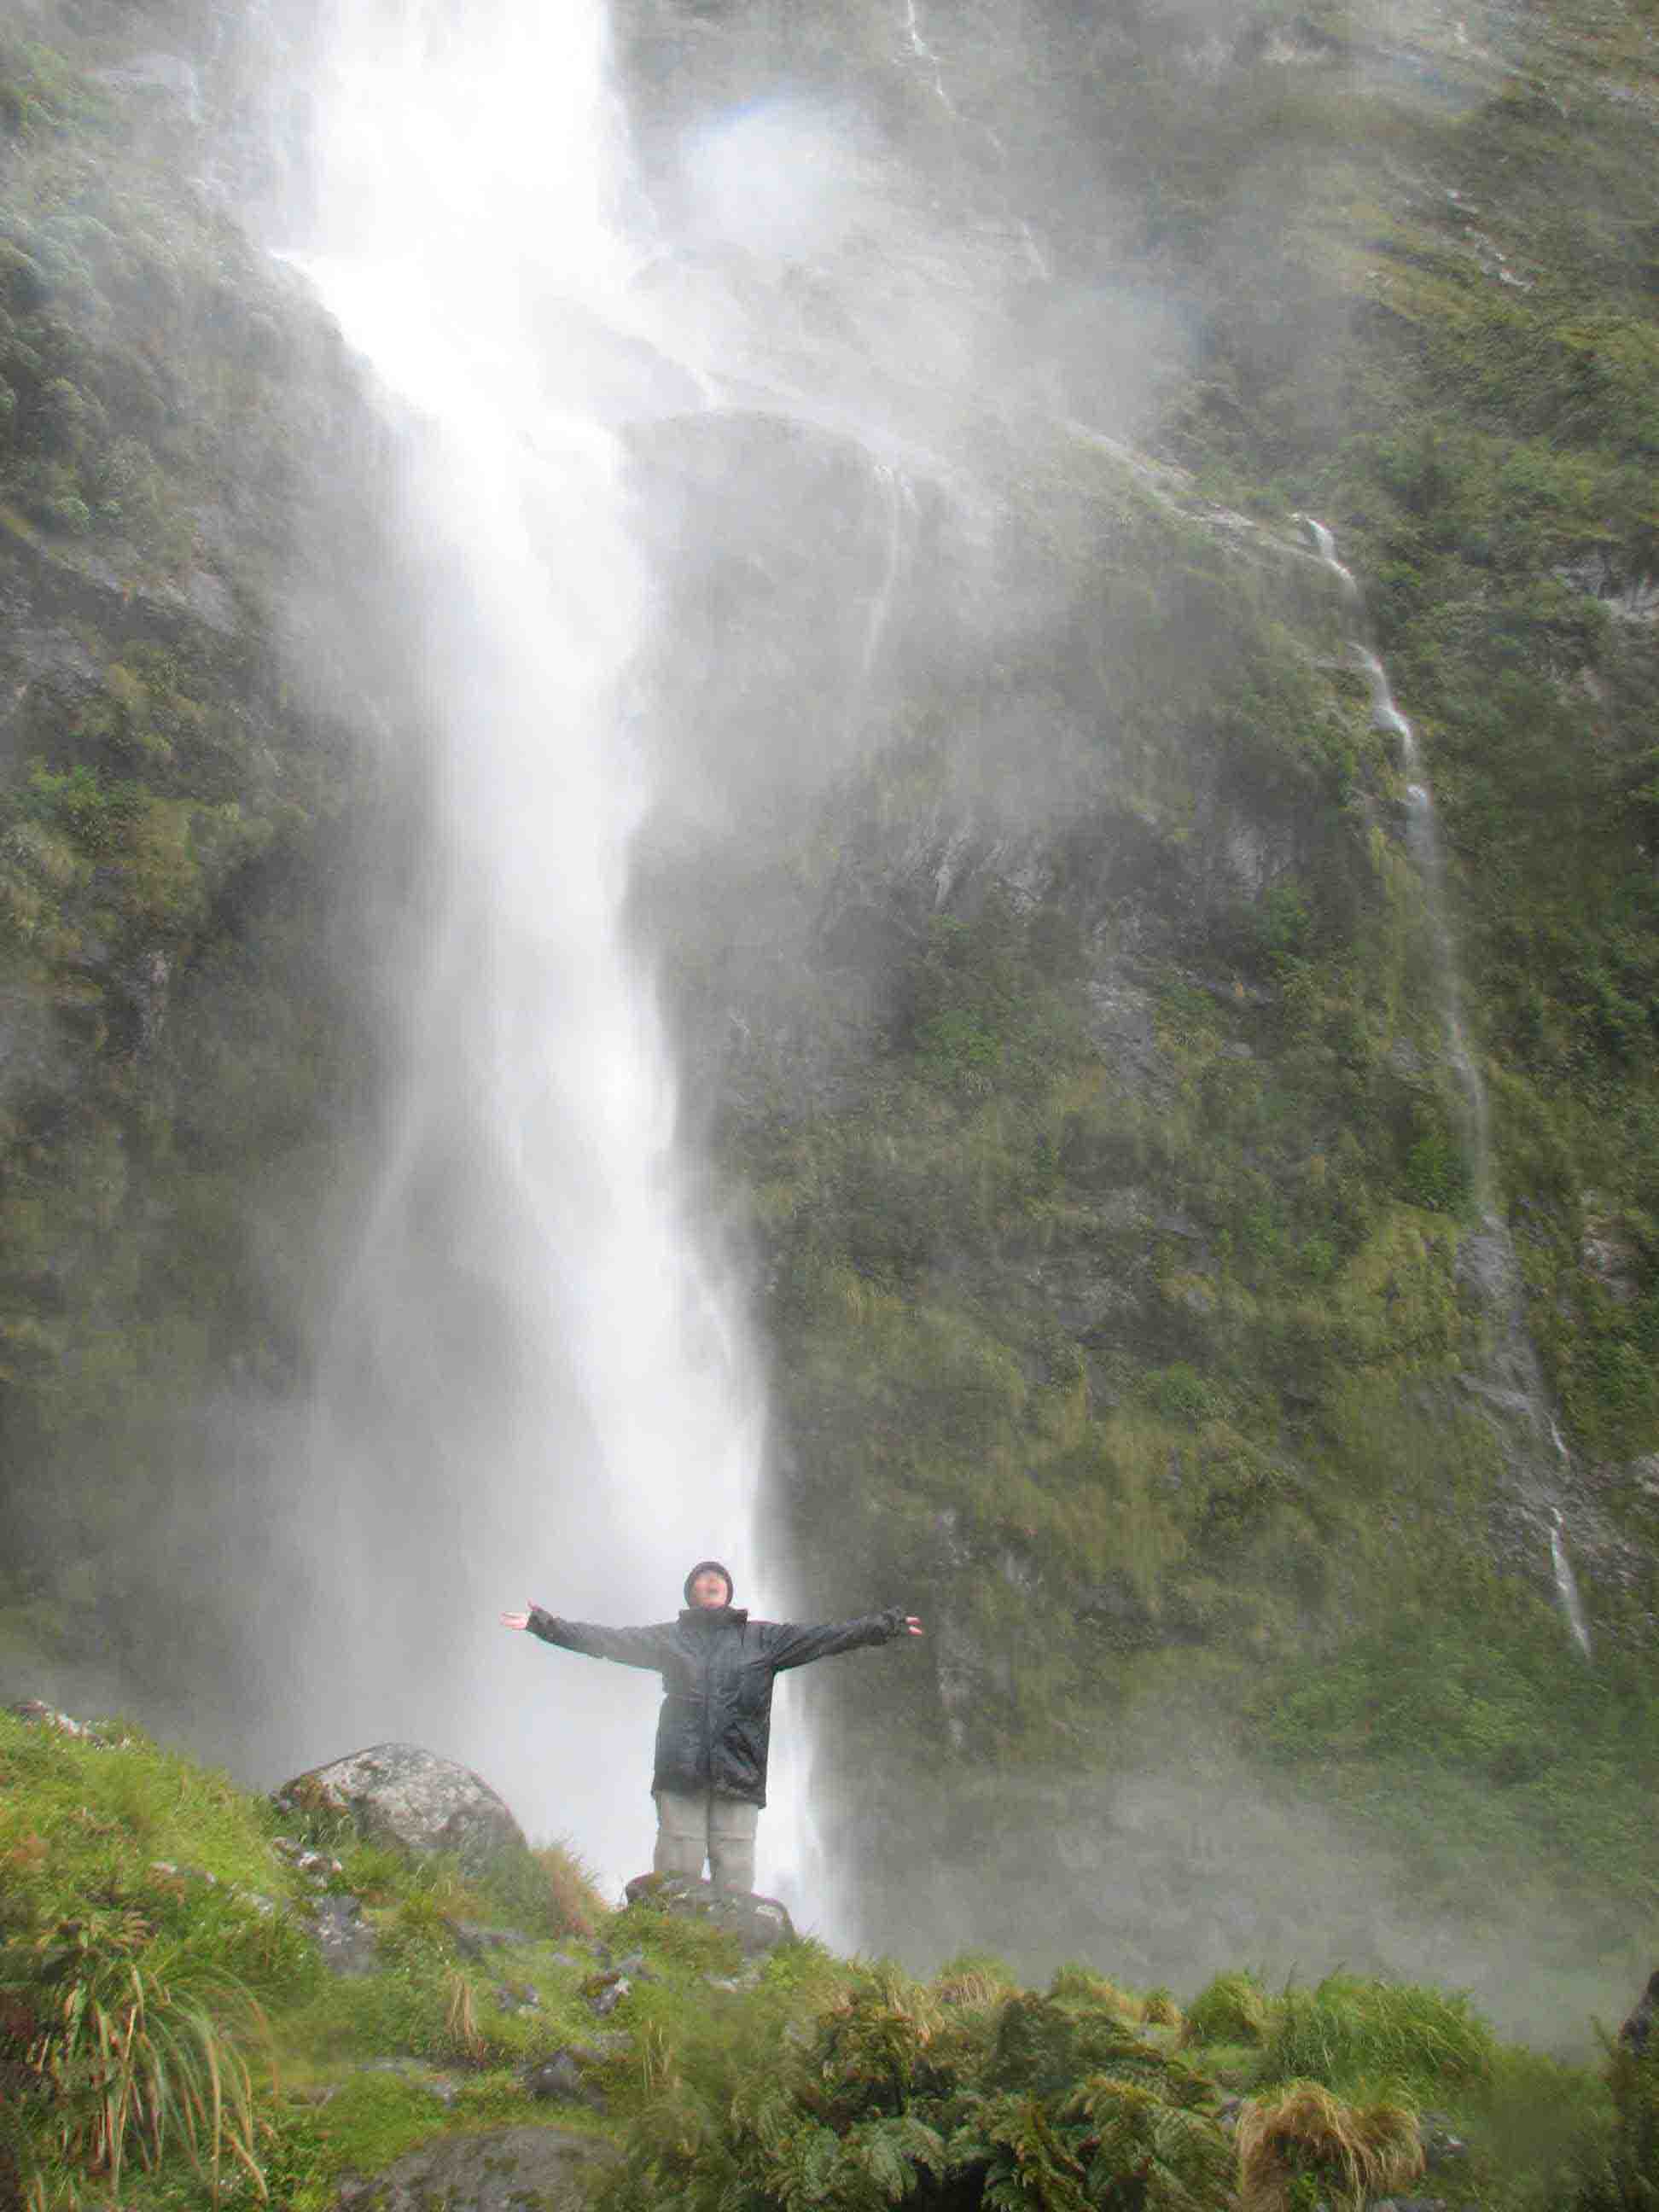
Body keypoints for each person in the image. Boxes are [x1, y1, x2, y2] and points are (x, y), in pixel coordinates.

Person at [502, 1560, 922, 1894]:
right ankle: (666, 1950)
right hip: (681, 1770)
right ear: (691, 1593)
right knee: (677, 1869)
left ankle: (736, 1965)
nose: (711, 1580)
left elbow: (828, 1636)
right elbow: (609, 1641)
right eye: (702, 1577)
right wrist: (545, 1626)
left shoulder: (764, 1640)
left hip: (739, 1770)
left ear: (728, 1591)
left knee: (736, 1870)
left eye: (717, 1576)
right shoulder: (670, 1639)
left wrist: (885, 1626)